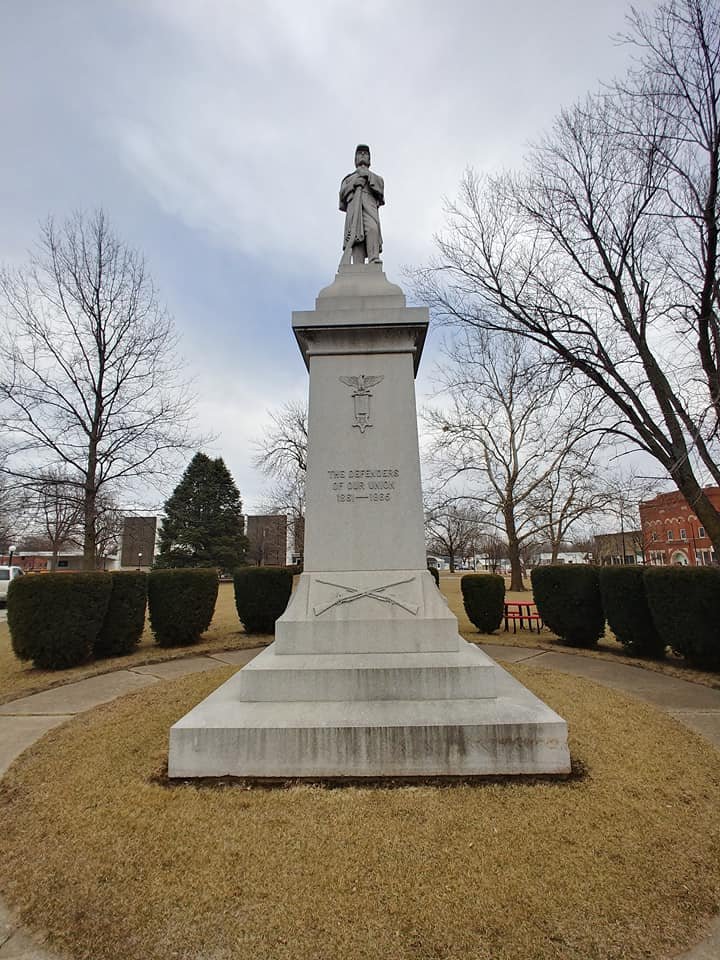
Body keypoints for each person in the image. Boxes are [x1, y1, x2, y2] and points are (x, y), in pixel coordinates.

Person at [339, 144, 384, 265]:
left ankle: (373, 258)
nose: (363, 155)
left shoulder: (376, 178)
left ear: (369, 159)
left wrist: (367, 176)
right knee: (356, 237)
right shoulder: (348, 178)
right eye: (360, 153)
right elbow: (341, 195)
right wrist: (354, 183)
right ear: (355, 159)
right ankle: (357, 265)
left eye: (365, 153)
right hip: (354, 209)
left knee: (372, 229)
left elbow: (380, 188)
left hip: (370, 208)